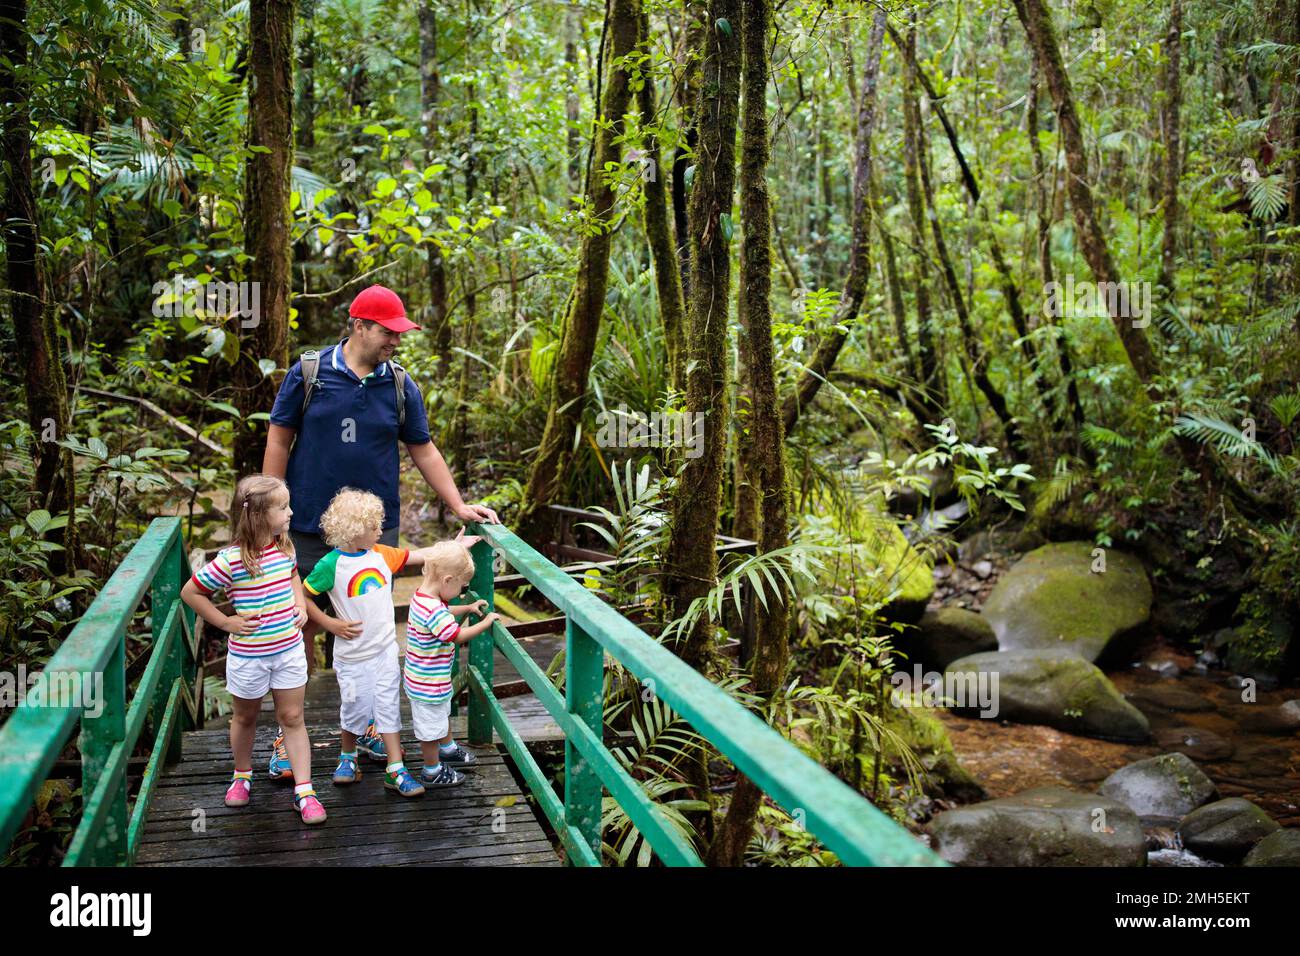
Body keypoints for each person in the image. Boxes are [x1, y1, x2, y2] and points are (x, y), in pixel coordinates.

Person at [261, 284, 499, 779]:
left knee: (369, 629)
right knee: (298, 627)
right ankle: (287, 736)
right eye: (389, 332)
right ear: (359, 326)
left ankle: (367, 726)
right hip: (306, 525)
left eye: (399, 333)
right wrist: (270, 509)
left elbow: (424, 449)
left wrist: (457, 504)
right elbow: (279, 439)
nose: (396, 341)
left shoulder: (399, 385)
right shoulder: (309, 374)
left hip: (374, 533)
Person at [180, 475, 326, 826]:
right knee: (245, 717)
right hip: (249, 656)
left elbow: (292, 576)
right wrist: (226, 622)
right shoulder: (231, 560)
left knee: (292, 718)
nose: (291, 512)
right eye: (283, 507)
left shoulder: (284, 548)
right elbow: (190, 593)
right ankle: (242, 774)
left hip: (288, 651)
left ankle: (304, 790)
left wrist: (301, 606)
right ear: (259, 516)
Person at [405, 540, 500, 788]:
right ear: (447, 580)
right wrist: (485, 623)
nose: (461, 592)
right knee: (430, 728)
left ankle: (446, 749)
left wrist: (467, 606)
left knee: (441, 715)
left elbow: (445, 610)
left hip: (427, 677)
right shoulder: (433, 610)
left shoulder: (423, 597)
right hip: (428, 683)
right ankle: (431, 770)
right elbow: (456, 635)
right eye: (461, 586)